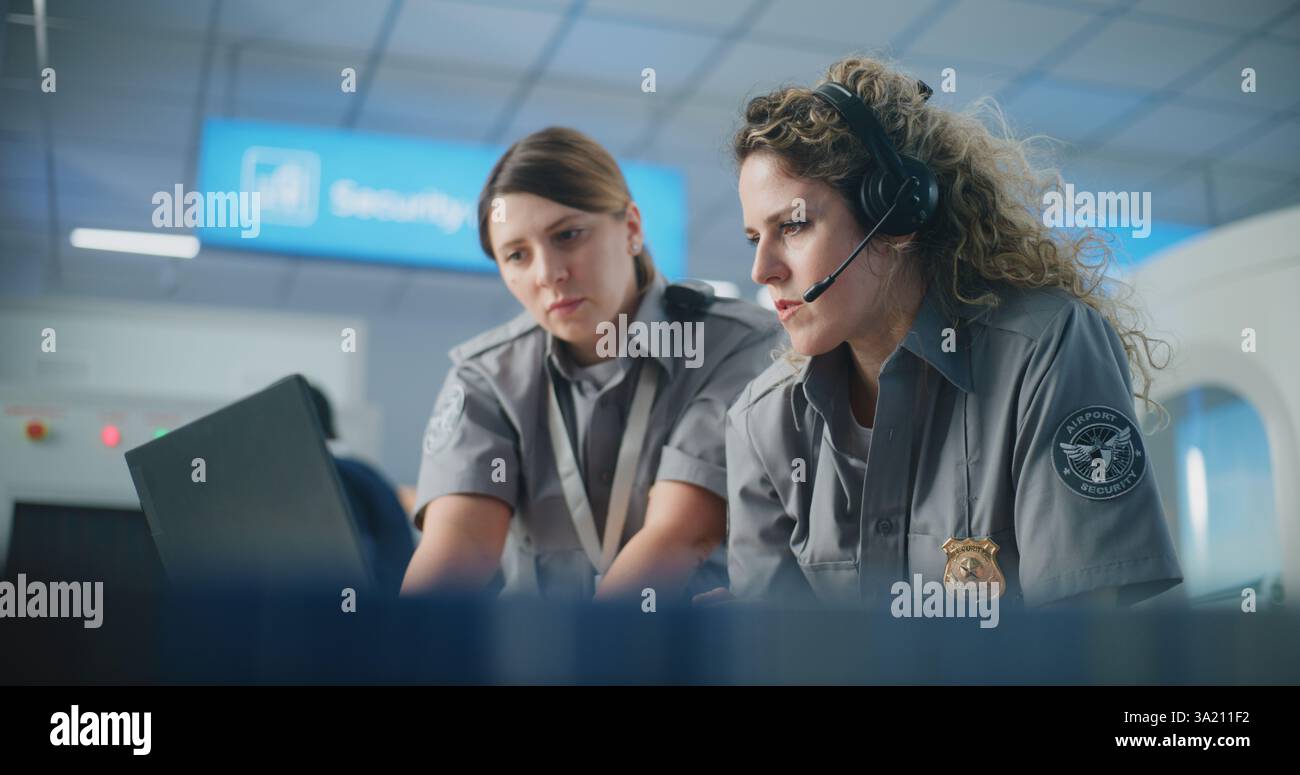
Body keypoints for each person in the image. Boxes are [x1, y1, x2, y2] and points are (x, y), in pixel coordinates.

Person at [719, 56, 1182, 610]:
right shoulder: (761, 422)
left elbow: (1077, 643)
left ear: (894, 214)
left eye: (792, 226)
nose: (761, 270)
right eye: (754, 238)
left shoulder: (1047, 351)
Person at [401, 126, 782, 603]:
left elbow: (681, 534)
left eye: (568, 235)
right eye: (517, 255)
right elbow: (459, 549)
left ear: (632, 228)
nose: (548, 274)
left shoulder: (732, 344)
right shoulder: (487, 378)